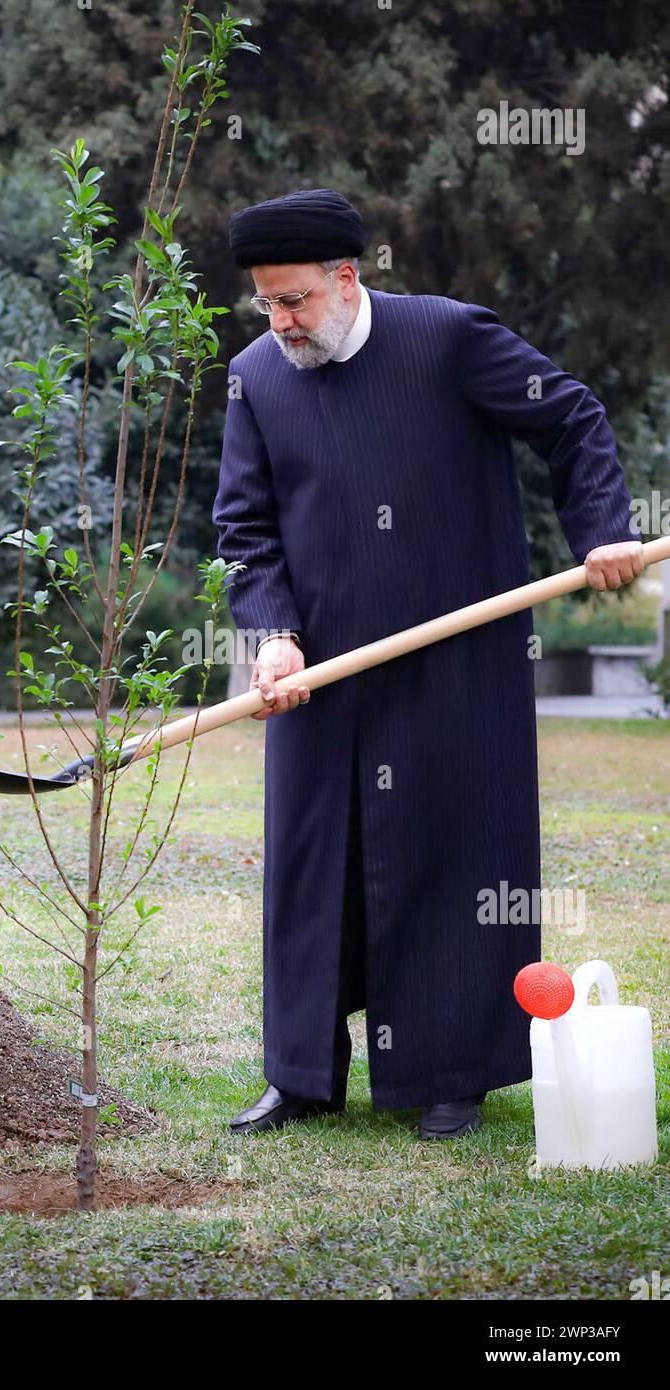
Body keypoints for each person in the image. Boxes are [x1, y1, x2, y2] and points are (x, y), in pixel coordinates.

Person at [212, 187, 643, 1138]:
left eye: (294, 302)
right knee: (313, 865)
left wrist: (604, 534)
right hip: (319, 671)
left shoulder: (446, 340)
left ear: (347, 278)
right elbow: (243, 529)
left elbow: (569, 417)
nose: (279, 322)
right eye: (266, 303)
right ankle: (301, 1075)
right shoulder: (256, 376)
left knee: (454, 853)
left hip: (460, 657)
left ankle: (451, 1074)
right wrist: (272, 630)